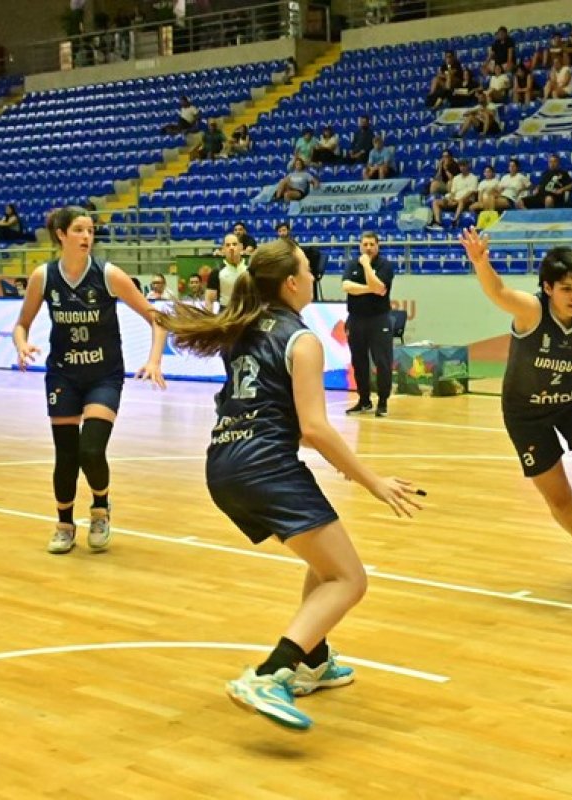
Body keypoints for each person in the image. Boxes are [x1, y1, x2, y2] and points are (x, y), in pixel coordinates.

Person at [154, 239, 421, 730]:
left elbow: (280, 414)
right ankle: (271, 672)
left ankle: (314, 661)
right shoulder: (302, 340)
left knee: (325, 561)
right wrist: (372, 481)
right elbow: (315, 429)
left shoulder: (242, 328)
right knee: (349, 579)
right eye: (307, 268)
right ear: (293, 283)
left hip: (223, 464)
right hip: (264, 467)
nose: (313, 275)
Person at [460, 229, 572, 583]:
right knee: (560, 497)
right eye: (566, 288)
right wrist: (481, 263)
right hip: (526, 416)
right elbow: (499, 292)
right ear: (548, 287)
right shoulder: (531, 311)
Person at [13, 206, 167, 555]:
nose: (87, 236)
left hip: (103, 374)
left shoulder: (108, 274)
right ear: (61, 235)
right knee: (65, 456)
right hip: (63, 374)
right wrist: (22, 344)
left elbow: (156, 318)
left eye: (91, 230)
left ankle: (101, 508)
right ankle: (64, 524)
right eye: (79, 230)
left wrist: (154, 359)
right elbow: (21, 323)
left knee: (91, 450)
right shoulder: (44, 276)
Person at [342, 232, 395, 418]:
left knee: (382, 362)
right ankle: (364, 400)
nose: (368, 247)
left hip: (379, 319)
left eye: (372, 244)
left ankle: (382, 402)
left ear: (378, 246)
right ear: (360, 246)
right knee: (359, 362)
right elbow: (347, 286)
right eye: (365, 244)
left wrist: (366, 266)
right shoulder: (351, 264)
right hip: (356, 319)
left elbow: (380, 288)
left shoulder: (385, 265)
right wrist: (369, 288)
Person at [206, 233, 248, 310]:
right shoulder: (216, 272)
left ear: (241, 247)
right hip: (225, 313)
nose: (231, 247)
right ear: (223, 249)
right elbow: (209, 301)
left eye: (234, 244)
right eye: (228, 245)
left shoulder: (249, 270)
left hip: (246, 313)